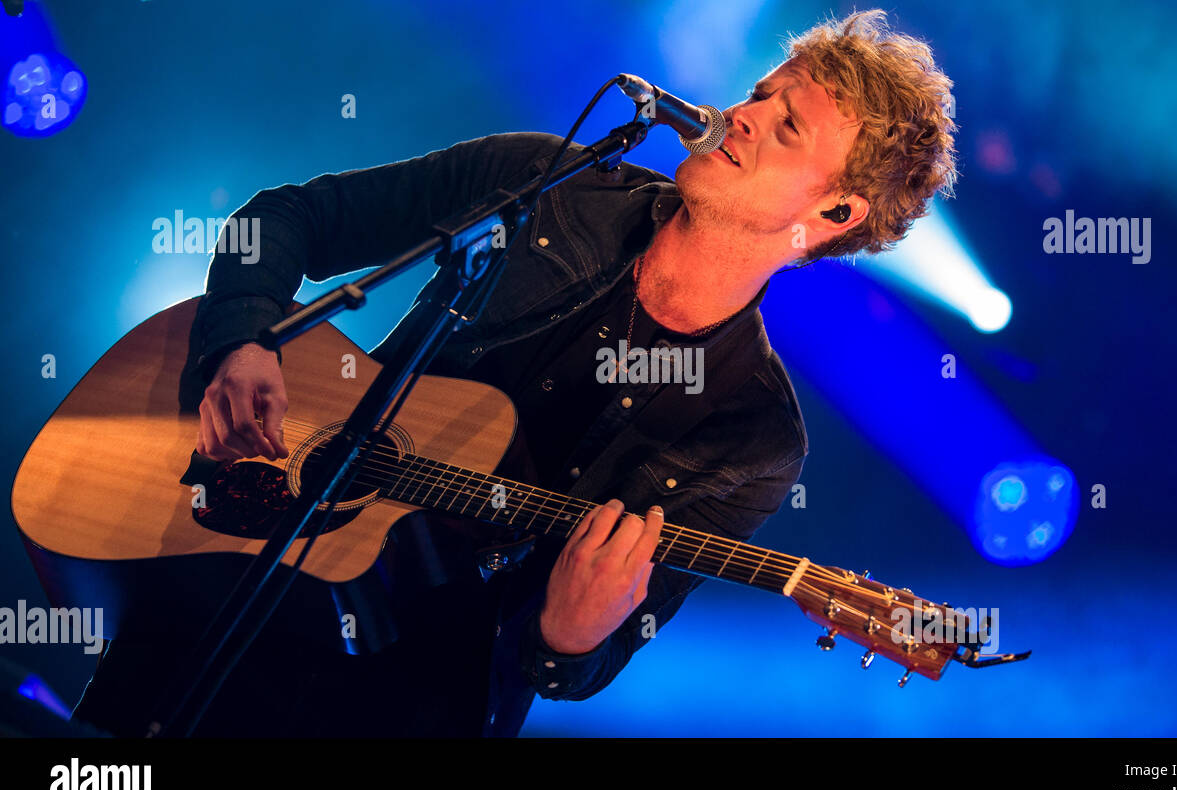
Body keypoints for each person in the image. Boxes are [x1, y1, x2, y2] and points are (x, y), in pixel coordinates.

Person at [72, 9, 956, 737]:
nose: (744, 114)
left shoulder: (751, 434)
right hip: (231, 574)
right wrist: (240, 340)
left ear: (836, 211)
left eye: (785, 125)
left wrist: (569, 636)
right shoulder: (545, 184)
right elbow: (289, 220)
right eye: (761, 94)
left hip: (403, 702)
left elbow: (581, 664)